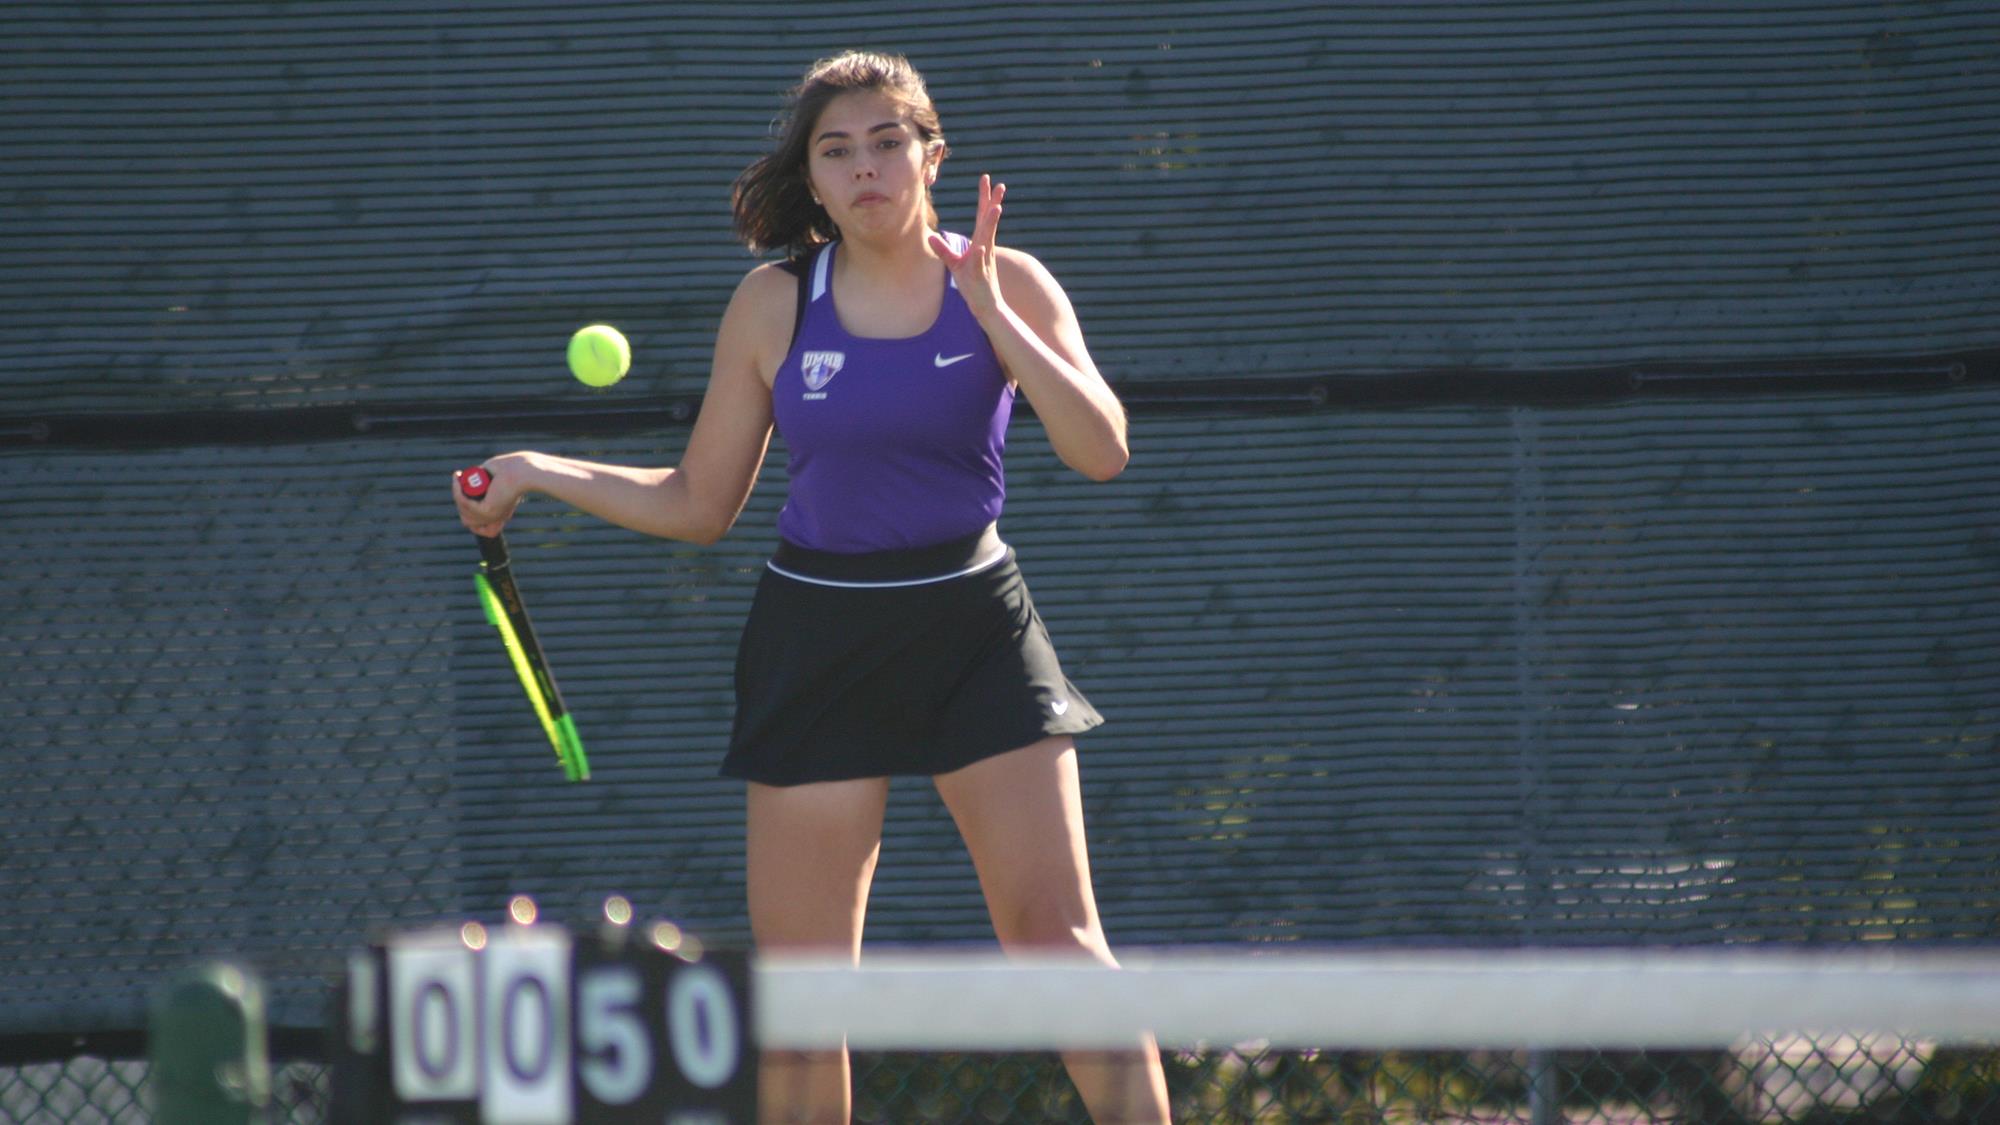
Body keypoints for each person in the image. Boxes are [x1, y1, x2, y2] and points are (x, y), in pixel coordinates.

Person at [454, 50, 1171, 1124]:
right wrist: (535, 472)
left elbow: (1102, 451)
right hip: (818, 637)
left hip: (975, 627)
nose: (865, 166)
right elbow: (700, 501)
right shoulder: (771, 304)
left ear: (931, 155)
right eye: (837, 151)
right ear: (815, 180)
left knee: (1058, 946)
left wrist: (992, 311)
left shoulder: (1005, 280)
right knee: (799, 998)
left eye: (888, 141)